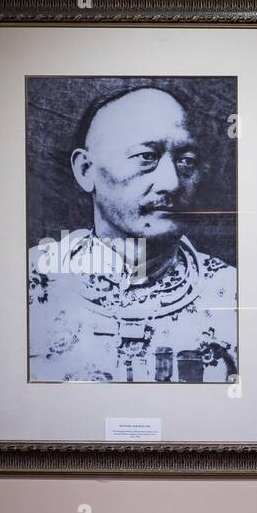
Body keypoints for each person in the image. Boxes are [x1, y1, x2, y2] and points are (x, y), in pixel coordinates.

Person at [27, 85, 237, 383]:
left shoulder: (233, 293)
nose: (171, 182)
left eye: (186, 160)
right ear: (86, 170)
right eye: (146, 157)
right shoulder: (26, 285)